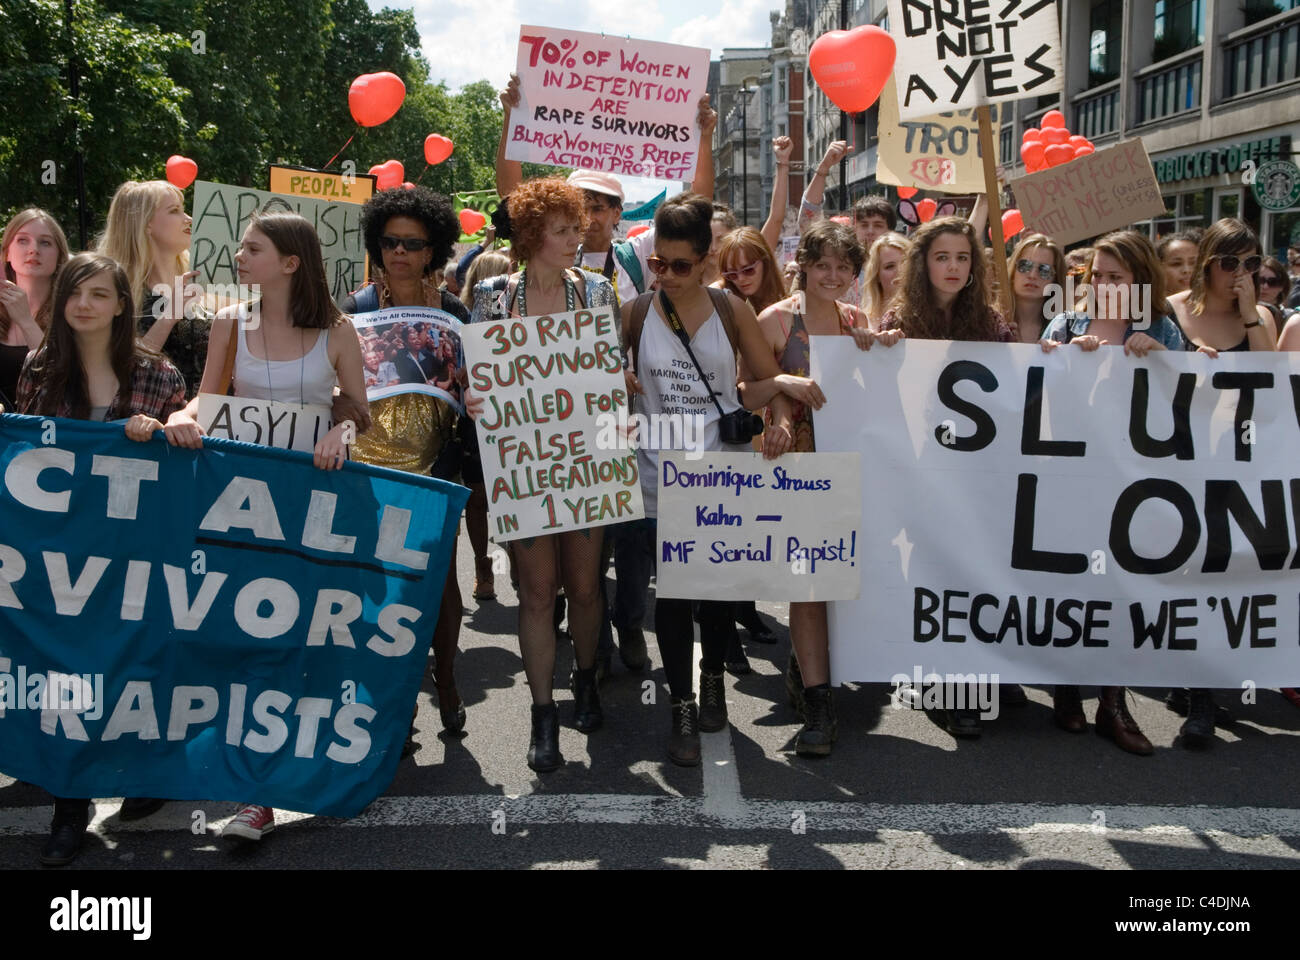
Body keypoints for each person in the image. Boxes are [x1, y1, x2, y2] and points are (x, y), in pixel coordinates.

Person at [163, 210, 367, 840]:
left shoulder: (338, 330)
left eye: (252, 248)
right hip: (240, 502)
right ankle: (254, 791)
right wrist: (182, 414)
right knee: (245, 629)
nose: (238, 256)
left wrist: (343, 427)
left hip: (313, 506)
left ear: (290, 262)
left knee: (298, 636)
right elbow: (208, 395)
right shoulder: (229, 322)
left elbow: (361, 411)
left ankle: (297, 767)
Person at [16, 252, 186, 865]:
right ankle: (69, 806)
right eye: (73, 294)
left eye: (98, 294)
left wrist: (166, 430)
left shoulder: (160, 376)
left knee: (133, 663)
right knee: (66, 674)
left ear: (121, 305)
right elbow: (26, 456)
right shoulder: (41, 368)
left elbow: (189, 456)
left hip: (135, 556)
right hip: (63, 556)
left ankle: (142, 769)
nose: (84, 305)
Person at [619, 193, 795, 766]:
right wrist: (618, 382)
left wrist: (782, 416)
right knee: (672, 595)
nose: (666, 275)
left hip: (723, 469)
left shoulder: (730, 310)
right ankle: (682, 705)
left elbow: (766, 382)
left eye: (680, 265)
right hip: (658, 475)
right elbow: (596, 385)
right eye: (657, 264)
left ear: (706, 260)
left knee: (716, 591)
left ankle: (714, 676)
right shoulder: (637, 313)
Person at [467, 176, 617, 773]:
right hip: (521, 462)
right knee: (534, 591)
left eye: (578, 228)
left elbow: (611, 371)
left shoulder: (598, 292)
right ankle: (542, 713)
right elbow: (477, 374)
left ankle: (585, 679)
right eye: (562, 230)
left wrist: (619, 392)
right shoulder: (493, 297)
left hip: (587, 461)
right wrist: (476, 397)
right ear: (531, 235)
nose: (576, 239)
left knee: (582, 587)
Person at [1038, 232, 1186, 756]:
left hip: (1133, 485)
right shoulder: (1064, 324)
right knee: (1069, 584)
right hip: (1071, 479)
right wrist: (1058, 360)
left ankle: (1112, 701)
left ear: (1141, 280)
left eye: (1114, 276)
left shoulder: (1163, 328)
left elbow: (1190, 406)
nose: (1101, 283)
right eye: (1095, 274)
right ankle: (1065, 690)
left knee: (1118, 589)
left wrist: (1163, 357)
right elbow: (1037, 403)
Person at [876, 216, 1023, 736]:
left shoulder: (992, 325)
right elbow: (873, 391)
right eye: (942, 257)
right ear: (923, 263)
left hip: (976, 479)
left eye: (963, 257)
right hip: (918, 478)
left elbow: (1018, 391)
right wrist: (879, 352)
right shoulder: (899, 321)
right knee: (929, 578)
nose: (954, 267)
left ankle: (978, 674)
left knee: (969, 575)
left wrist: (1043, 357)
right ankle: (942, 687)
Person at [339, 185, 472, 738]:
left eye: (412, 244)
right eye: (390, 241)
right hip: (366, 474)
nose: (399, 252)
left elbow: (479, 389)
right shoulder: (352, 309)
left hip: (436, 467)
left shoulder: (455, 312)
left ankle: (446, 679)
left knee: (437, 586)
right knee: (377, 591)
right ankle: (397, 700)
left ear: (432, 251)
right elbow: (335, 389)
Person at [745, 220, 880, 755]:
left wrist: (878, 346)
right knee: (808, 584)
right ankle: (819, 708)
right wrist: (781, 386)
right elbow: (744, 389)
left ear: (853, 274)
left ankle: (809, 672)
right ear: (804, 266)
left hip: (850, 467)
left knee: (840, 580)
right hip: (796, 470)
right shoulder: (775, 322)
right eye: (822, 264)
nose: (833, 275)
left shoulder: (858, 321)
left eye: (843, 267)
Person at [1165, 219, 1278, 748]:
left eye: (1251, 264)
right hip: (1176, 464)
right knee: (1183, 574)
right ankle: (1189, 685)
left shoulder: (1261, 318)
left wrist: (1252, 309)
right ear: (1207, 261)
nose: (1239, 274)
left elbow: (1270, 382)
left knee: (1219, 576)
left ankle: (1203, 698)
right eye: (1229, 263)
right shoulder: (1171, 309)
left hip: (1236, 467)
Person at [495, 72, 717, 303]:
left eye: (598, 208)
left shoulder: (637, 255)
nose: (588, 218)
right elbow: (513, 199)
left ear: (617, 212)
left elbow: (696, 210)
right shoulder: (554, 254)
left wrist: (704, 138)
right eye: (581, 209)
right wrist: (512, 118)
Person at [714, 226, 790, 655]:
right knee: (735, 531)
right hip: (738, 430)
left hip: (787, 431)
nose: (741, 278)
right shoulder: (721, 304)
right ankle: (727, 631)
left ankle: (746, 610)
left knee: (766, 532)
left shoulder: (790, 302)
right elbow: (740, 384)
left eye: (749, 268)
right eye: (731, 272)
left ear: (766, 261)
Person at [98, 180, 210, 399]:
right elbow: (121, 370)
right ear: (146, 223)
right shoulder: (115, 292)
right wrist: (170, 316)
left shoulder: (205, 280)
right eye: (174, 211)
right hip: (143, 423)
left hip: (205, 423)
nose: (189, 219)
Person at [459, 251, 512, 601]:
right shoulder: (466, 317)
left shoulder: (528, 308)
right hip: (478, 418)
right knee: (478, 499)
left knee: (512, 497)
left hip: (518, 419)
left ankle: (516, 567)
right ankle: (484, 567)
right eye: (508, 273)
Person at [1, 208, 69, 411]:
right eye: (23, 240)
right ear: (7, 253)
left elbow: (60, 382)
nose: (33, 249)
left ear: (59, 257)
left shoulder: (72, 313)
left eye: (45, 242)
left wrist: (26, 321)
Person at [1006, 233, 1067, 343]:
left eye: (1044, 270)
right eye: (1025, 265)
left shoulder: (1067, 328)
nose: (1032, 275)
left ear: (1055, 278)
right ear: (1013, 270)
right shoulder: (990, 322)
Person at [860, 232, 910, 329]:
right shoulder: (862, 320)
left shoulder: (924, 316)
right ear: (876, 275)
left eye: (905, 263)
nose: (900, 271)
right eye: (889, 266)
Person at [1156, 229, 1201, 298]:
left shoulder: (1215, 304)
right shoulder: (1143, 302)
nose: (1186, 270)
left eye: (1194, 263)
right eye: (1176, 264)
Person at [1257, 255, 1294, 327]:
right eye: (1260, 280)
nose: (1265, 286)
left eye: (1273, 282)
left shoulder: (1290, 318)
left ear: (1282, 286)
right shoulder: (1237, 315)